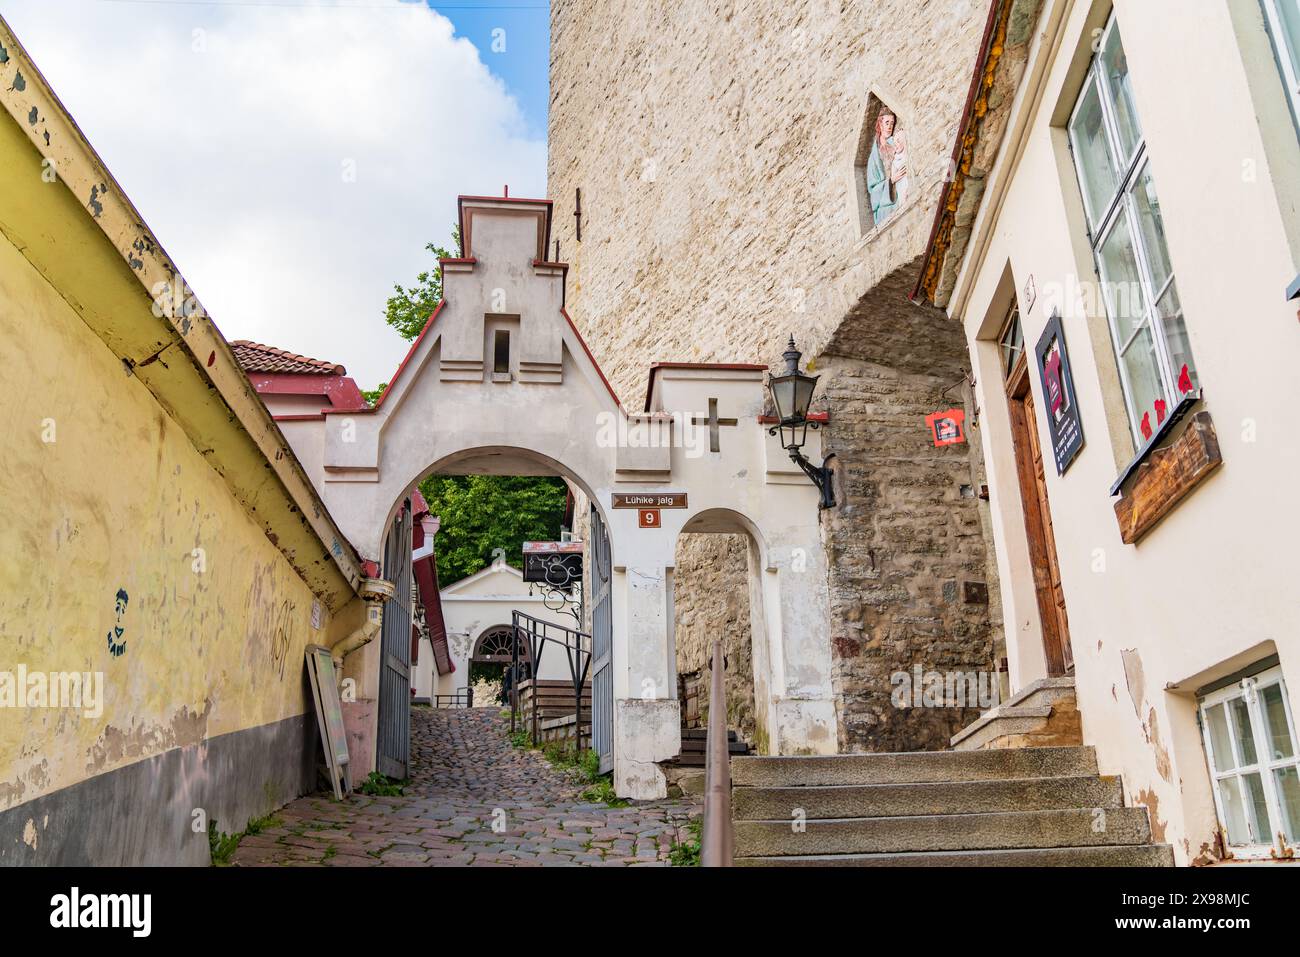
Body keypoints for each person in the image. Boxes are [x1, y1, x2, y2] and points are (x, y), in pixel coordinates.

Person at [867, 108, 909, 226]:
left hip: (902, 185)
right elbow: (873, 191)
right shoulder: (873, 158)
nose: (890, 126)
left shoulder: (895, 142)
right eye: (887, 123)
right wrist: (891, 181)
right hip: (887, 198)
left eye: (892, 123)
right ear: (880, 124)